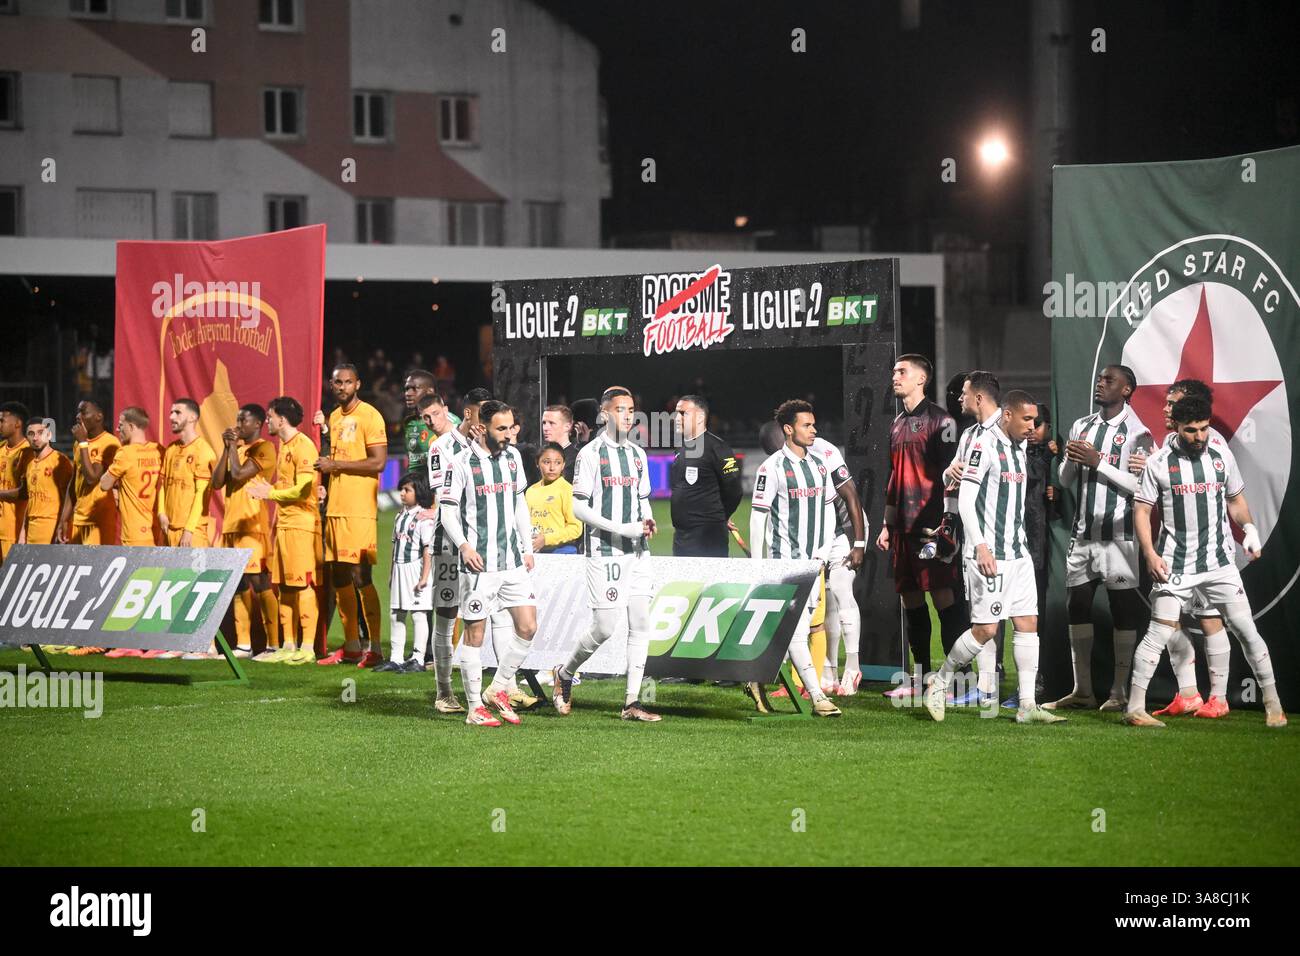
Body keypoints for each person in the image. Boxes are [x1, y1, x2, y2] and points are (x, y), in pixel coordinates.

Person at [1126, 394, 1285, 729]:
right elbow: (1141, 510)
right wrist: (1150, 553)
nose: (1199, 437)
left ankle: (1274, 705)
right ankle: (1135, 708)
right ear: (1177, 426)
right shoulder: (1159, 463)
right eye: (1191, 431)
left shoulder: (1219, 454)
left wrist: (1250, 528)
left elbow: (1236, 501)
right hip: (1174, 563)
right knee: (1158, 632)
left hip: (1218, 563)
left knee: (1245, 630)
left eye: (1203, 428)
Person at [924, 390, 1065, 724]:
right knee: (986, 630)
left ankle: (1028, 706)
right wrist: (981, 546)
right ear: (1007, 415)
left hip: (1018, 554)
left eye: (1035, 420)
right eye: (1026, 419)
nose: (1033, 426)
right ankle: (939, 683)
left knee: (1028, 623)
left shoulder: (1019, 448)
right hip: (990, 554)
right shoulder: (983, 446)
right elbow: (968, 500)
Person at [1046, 365, 1155, 714]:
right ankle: (1082, 691)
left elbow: (1143, 488)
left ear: (1127, 390)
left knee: (1124, 611)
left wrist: (1098, 462)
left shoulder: (1139, 433)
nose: (1100, 383)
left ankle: (1120, 693)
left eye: (1110, 380)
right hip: (1083, 535)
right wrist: (1070, 461)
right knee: (1076, 606)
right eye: (1100, 378)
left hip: (1120, 537)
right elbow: (1065, 480)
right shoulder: (1083, 425)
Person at [552, 386, 662, 721]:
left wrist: (645, 520)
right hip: (605, 551)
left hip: (638, 552)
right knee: (605, 627)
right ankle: (565, 674)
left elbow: (642, 497)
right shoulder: (590, 454)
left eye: (631, 410)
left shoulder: (637, 455)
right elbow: (579, 508)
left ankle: (631, 703)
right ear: (604, 413)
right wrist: (622, 529)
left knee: (641, 624)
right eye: (620, 410)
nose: (627, 416)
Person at [1127, 379, 1232, 718]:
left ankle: (1218, 697)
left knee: (1210, 618)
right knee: (1168, 621)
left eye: (1172, 403)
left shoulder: (1208, 443)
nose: (1166, 408)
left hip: (1207, 552)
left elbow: (1230, 494)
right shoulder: (1170, 447)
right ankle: (1188, 692)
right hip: (1174, 550)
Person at [438, 400, 538, 728]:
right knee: (475, 633)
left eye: (511, 427)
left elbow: (519, 503)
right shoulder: (462, 462)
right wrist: (464, 546)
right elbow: (448, 510)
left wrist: (526, 546)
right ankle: (472, 708)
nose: (509, 434)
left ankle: (497, 689)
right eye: (501, 428)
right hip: (479, 565)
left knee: (527, 626)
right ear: (484, 427)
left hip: (511, 561)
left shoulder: (513, 458)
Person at [748, 399, 843, 718]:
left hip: (814, 565)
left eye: (814, 424)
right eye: (807, 425)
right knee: (798, 630)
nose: (814, 429)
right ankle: (818, 697)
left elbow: (830, 509)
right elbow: (758, 518)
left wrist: (826, 550)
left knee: (787, 631)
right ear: (788, 430)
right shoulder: (771, 468)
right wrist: (759, 565)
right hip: (786, 565)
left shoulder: (819, 465)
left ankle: (754, 677)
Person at [876, 356, 962, 699]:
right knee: (911, 602)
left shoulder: (942, 421)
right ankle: (921, 677)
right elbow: (893, 477)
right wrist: (887, 523)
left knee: (943, 600)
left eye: (902, 372)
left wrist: (948, 524)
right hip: (902, 529)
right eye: (894, 371)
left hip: (931, 527)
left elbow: (953, 477)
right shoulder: (896, 423)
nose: (894, 376)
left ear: (921, 379)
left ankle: (958, 680)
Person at [316, 364, 388, 668]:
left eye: (348, 381)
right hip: (335, 507)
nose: (342, 386)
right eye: (337, 382)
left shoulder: (370, 415)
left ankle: (375, 648)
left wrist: (337, 467)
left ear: (357, 383)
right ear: (332, 385)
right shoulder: (334, 417)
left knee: (361, 576)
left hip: (359, 510)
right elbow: (331, 460)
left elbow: (378, 463)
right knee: (339, 576)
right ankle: (351, 646)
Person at [417, 388, 484, 709]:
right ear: (469, 414)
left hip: (483, 545)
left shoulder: (489, 447)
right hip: (449, 543)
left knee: (486, 614)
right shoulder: (442, 448)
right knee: (446, 613)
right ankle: (444, 692)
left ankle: (500, 686)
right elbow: (445, 502)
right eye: (482, 414)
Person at [247, 397, 322, 665]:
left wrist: (271, 493)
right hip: (284, 524)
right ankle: (288, 645)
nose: (267, 421)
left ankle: (308, 646)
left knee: (302, 585)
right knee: (284, 587)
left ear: (282, 418)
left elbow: (303, 488)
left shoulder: (304, 446)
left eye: (270, 416)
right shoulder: (284, 446)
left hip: (301, 525)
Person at [213, 404, 280, 660]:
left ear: (258, 424)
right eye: (237, 418)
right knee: (239, 585)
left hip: (252, 526)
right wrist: (226, 448)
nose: (238, 423)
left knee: (260, 583)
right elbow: (218, 482)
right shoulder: (237, 449)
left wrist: (232, 449)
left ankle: (273, 644)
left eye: (244, 419)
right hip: (232, 525)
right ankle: (243, 645)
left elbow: (239, 475)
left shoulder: (264, 448)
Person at [100, 407, 164, 659]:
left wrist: (114, 485)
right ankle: (146, 642)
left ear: (132, 426)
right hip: (154, 526)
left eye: (121, 424)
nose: (118, 429)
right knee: (152, 583)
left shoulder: (124, 453)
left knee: (138, 585)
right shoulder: (157, 450)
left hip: (134, 528)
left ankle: (140, 643)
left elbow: (104, 483)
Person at [374, 472, 437, 673]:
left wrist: (425, 577)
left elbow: (428, 549)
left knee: (419, 614)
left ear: (418, 492)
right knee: (396, 614)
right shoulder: (400, 516)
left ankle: (418, 658)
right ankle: (396, 658)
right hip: (400, 569)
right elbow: (395, 546)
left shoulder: (424, 518)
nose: (402, 493)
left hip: (416, 569)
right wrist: (392, 572)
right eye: (401, 489)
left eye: (406, 490)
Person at [669, 394, 743, 558]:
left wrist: (720, 517)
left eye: (683, 413)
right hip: (682, 537)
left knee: (709, 584)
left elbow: (734, 490)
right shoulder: (680, 449)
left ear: (700, 417)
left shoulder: (717, 447)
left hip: (708, 537)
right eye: (676, 413)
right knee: (683, 583)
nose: (677, 418)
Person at [58, 399, 120, 547]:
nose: (78, 416)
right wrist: (64, 519)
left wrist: (83, 443)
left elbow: (92, 478)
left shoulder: (110, 442)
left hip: (98, 521)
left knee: (97, 568)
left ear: (99, 416)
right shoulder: (79, 444)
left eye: (84, 412)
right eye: (77, 412)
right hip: (79, 518)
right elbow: (74, 481)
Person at [18, 417, 72, 546]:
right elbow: (31, 500)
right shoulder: (30, 464)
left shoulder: (60, 461)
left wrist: (62, 528)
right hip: (31, 532)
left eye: (40, 433)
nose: (35, 438)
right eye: (31, 434)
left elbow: (69, 499)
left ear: (49, 435)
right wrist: (22, 533)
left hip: (51, 529)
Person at [527, 442, 582, 554]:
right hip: (535, 551)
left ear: (563, 465)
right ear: (537, 463)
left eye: (557, 463)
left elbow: (576, 528)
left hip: (562, 551)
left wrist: (547, 539)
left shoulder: (567, 489)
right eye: (546, 462)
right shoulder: (531, 491)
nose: (552, 468)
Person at [0, 401, 34, 563]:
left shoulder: (28, 452)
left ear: (17, 423)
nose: (0, 424)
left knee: (8, 576)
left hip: (13, 527)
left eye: (2, 420)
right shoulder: (1, 449)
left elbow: (24, 492)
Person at [401, 369, 440, 471]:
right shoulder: (409, 422)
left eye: (414, 389)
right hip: (416, 484)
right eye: (407, 389)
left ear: (429, 391)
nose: (408, 393)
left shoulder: (449, 421)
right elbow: (411, 459)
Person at [541, 404, 579, 482]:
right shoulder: (540, 455)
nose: (545, 428)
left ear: (567, 427)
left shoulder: (577, 458)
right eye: (544, 423)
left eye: (551, 423)